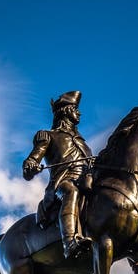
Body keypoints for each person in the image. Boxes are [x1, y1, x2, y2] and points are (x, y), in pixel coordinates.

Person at [22, 90, 94, 260]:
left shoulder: (82, 143)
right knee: (71, 191)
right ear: (66, 111)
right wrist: (31, 165)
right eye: (75, 108)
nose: (79, 112)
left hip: (86, 180)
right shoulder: (48, 136)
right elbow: (30, 161)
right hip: (62, 183)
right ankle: (69, 242)